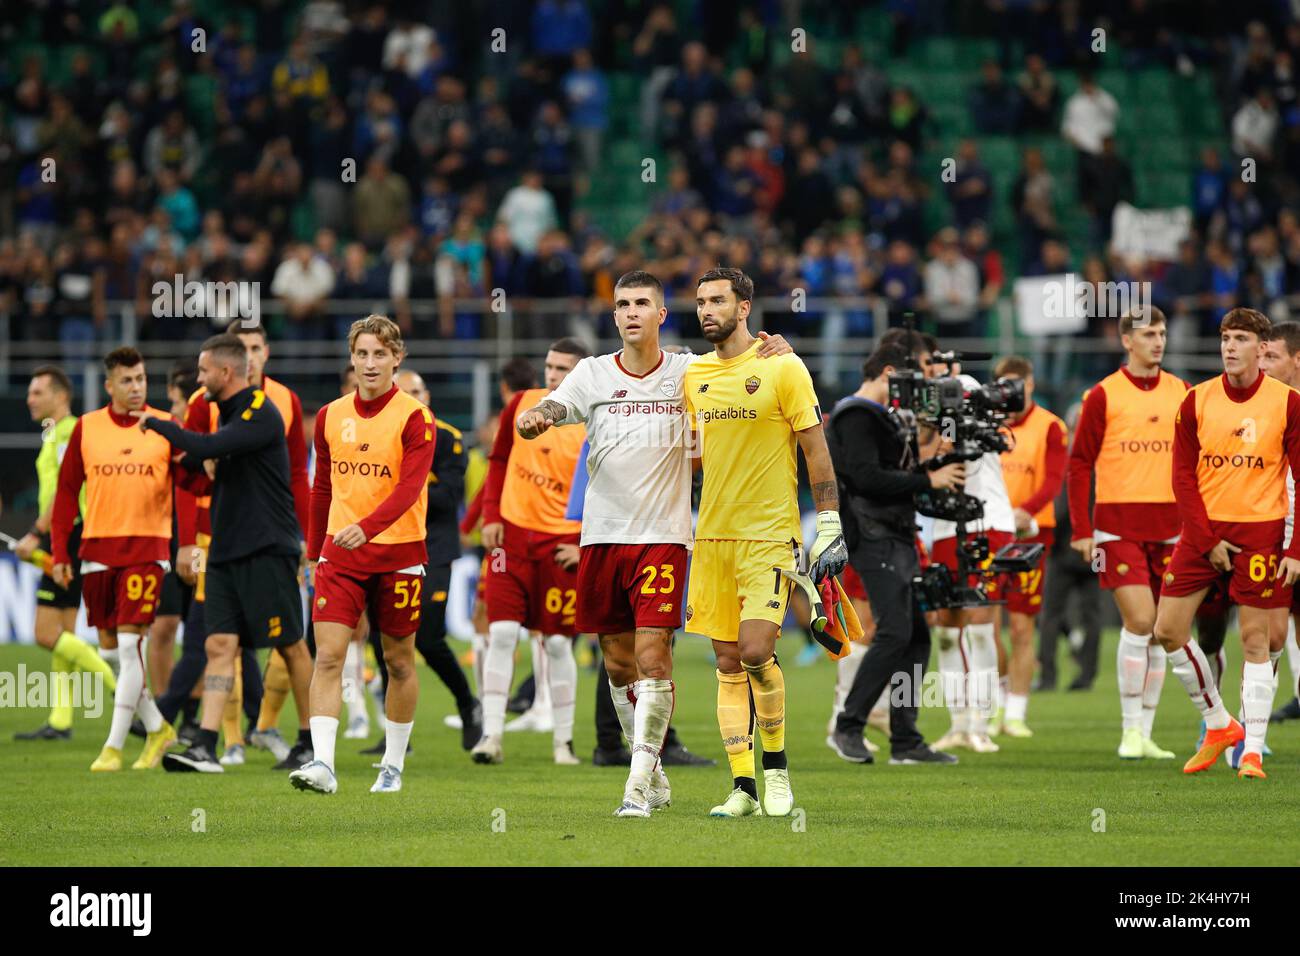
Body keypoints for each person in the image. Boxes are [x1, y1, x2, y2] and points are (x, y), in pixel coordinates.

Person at [516, 271, 788, 814]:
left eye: (643, 303)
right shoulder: (592, 375)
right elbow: (554, 406)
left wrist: (774, 345)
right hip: (602, 537)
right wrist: (537, 417)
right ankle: (655, 767)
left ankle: (636, 785)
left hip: (664, 538)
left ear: (662, 315)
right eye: (622, 304)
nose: (632, 312)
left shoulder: (689, 371)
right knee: (617, 664)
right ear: (614, 316)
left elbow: (742, 361)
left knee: (652, 658)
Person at [683, 267, 847, 818]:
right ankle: (743, 788)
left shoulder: (783, 365)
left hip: (769, 535)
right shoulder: (693, 374)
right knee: (728, 662)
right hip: (712, 537)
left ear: (744, 306)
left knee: (756, 652)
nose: (707, 310)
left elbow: (815, 449)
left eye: (718, 301)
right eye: (701, 302)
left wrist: (828, 520)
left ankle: (777, 771)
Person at [133, 334, 313, 775]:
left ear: (225, 373)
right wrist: (193, 459)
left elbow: (209, 448)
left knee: (290, 646)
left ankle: (311, 740)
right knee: (219, 644)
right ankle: (206, 746)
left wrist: (159, 425)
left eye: (203, 371)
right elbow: (197, 464)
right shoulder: (228, 416)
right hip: (228, 551)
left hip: (268, 547)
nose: (198, 379)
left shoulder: (259, 411)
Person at [292, 315, 435, 794]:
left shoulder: (416, 417)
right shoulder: (331, 416)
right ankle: (324, 766)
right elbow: (321, 486)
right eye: (362, 354)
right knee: (329, 657)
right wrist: (314, 552)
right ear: (351, 358)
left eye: (380, 354)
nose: (370, 364)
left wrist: (366, 529)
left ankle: (392, 765)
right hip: (340, 556)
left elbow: (410, 490)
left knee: (397, 661)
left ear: (398, 359)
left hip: (398, 555)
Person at [1155, 307, 1300, 779]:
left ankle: (1252, 752)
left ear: (1261, 348)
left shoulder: (1288, 402)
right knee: (1167, 630)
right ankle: (1219, 723)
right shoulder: (1196, 401)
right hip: (1204, 530)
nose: (1229, 347)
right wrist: (1205, 537)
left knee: (1258, 640)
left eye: (1240, 338)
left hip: (1262, 530)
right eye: (1224, 338)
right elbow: (1181, 477)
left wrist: (1295, 548)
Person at [826, 342, 964, 766]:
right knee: (893, 632)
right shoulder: (856, 414)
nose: (920, 385)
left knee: (915, 636)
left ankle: (905, 739)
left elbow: (888, 476)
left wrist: (924, 469)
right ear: (889, 372)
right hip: (873, 535)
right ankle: (848, 725)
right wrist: (928, 479)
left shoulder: (880, 417)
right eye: (914, 375)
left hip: (894, 534)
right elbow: (867, 478)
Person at [50, 347, 188, 771]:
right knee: (111, 651)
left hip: (148, 549)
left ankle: (113, 747)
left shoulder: (166, 426)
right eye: (127, 380)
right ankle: (158, 728)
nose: (136, 387)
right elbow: (66, 491)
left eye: (141, 379)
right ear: (109, 386)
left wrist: (190, 543)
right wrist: (60, 552)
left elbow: (186, 488)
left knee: (130, 645)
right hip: (97, 549)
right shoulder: (88, 428)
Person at [1067, 307, 1184, 760]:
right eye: (1150, 334)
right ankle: (1129, 730)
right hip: (1116, 527)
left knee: (1159, 629)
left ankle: (1146, 733)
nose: (1159, 341)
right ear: (1127, 342)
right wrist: (1082, 529)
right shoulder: (1102, 395)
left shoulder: (1181, 392)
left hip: (1172, 528)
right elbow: (1079, 464)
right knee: (1139, 621)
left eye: (1163, 332)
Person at [472, 338, 589, 766]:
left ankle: (563, 743)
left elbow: (600, 488)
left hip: (560, 543)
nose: (552, 376)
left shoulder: (591, 419)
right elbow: (498, 458)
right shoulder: (521, 403)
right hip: (511, 540)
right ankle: (491, 736)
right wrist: (491, 515)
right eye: (550, 367)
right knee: (501, 633)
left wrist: (580, 543)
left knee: (557, 644)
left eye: (562, 369)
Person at [376, 368, 482, 752]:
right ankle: (395, 733)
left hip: (433, 547)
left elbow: (447, 498)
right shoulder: (382, 437)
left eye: (416, 392)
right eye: (402, 394)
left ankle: (468, 703)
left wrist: (401, 488)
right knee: (380, 636)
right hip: (388, 545)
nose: (410, 400)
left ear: (428, 397)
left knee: (429, 635)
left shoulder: (449, 440)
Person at [13, 365, 116, 741]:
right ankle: (60, 720)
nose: (30, 399)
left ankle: (119, 686)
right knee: (64, 632)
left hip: (67, 536)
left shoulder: (68, 432)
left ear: (60, 396)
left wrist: (35, 534)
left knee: (44, 632)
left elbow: (63, 493)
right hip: (72, 535)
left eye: (37, 392)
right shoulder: (56, 434)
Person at [924, 344, 1018, 751]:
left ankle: (981, 722)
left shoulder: (963, 387)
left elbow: (939, 447)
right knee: (946, 631)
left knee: (980, 627)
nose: (934, 373)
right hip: (945, 525)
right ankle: (959, 723)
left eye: (939, 364)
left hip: (987, 519)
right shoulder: (918, 405)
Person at [993, 356, 1067, 736]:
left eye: (1016, 385)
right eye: (1004, 385)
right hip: (989, 533)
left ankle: (1016, 713)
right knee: (985, 625)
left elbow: (1054, 481)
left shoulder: (1051, 426)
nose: (1010, 393)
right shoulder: (986, 425)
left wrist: (1027, 511)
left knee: (1022, 627)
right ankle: (1000, 698)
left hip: (1030, 536)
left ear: (1031, 384)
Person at [1037, 402, 1103, 690]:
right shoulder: (1106, 459)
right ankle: (1086, 675)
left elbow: (1062, 508)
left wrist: (1050, 539)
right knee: (1093, 615)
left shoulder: (1068, 459)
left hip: (1065, 548)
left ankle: (1048, 676)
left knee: (1049, 614)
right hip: (1097, 549)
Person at [1262, 321, 1300, 724]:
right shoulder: (1262, 405)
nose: (1264, 364)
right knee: (1275, 629)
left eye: (1271, 356)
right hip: (1274, 529)